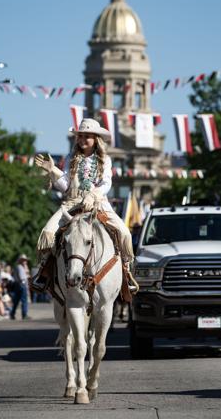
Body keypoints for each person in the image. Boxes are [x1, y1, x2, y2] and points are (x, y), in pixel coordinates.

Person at [32, 117, 136, 292]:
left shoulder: (105, 159)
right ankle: (44, 273)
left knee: (124, 232)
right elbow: (66, 186)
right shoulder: (71, 158)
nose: (82, 140)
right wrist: (53, 171)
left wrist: (94, 195)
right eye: (80, 136)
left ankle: (126, 273)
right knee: (48, 233)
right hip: (72, 202)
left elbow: (106, 183)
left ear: (96, 139)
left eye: (86, 136)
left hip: (98, 203)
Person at [10, 254, 30, 320]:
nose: (25, 261)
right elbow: (22, 278)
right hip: (22, 284)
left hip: (18, 284)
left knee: (16, 300)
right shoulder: (20, 267)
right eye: (24, 260)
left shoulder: (19, 267)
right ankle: (24, 315)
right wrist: (27, 275)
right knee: (24, 300)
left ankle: (12, 314)